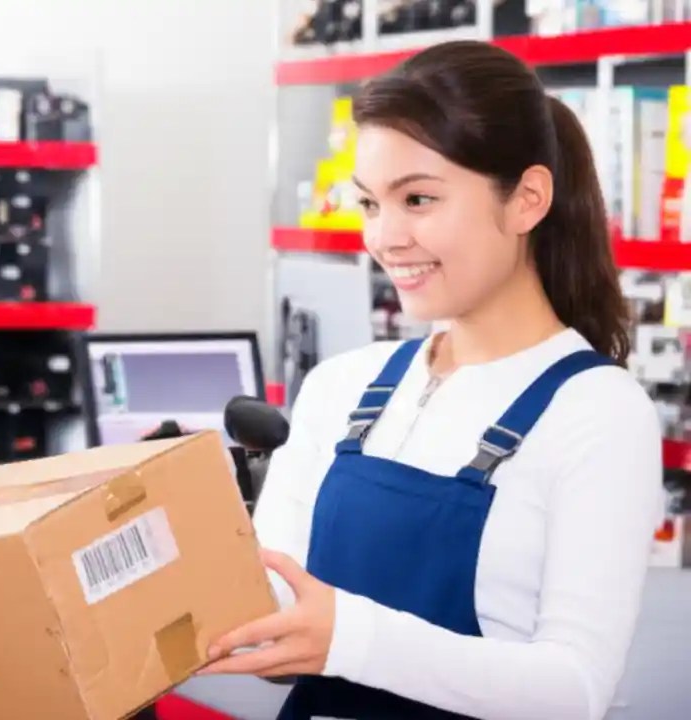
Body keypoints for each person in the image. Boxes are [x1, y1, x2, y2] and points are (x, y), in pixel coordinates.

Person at [201, 40, 664, 720]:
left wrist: (351, 639)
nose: (385, 237)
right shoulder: (341, 387)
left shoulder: (596, 412)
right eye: (369, 205)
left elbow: (574, 691)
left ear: (527, 200)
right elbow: (281, 620)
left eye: (417, 199)